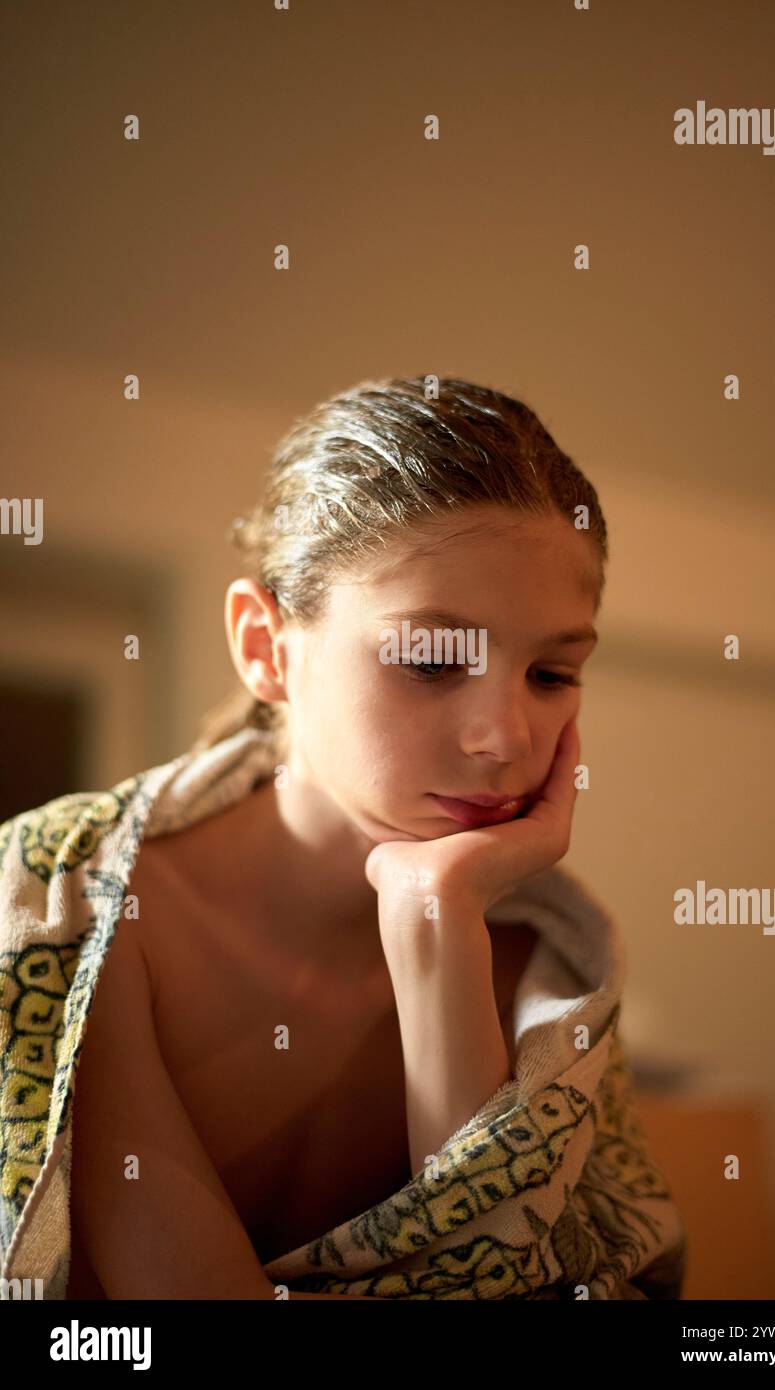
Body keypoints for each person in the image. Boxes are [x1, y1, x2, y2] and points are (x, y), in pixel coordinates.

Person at [1, 376, 686, 1301]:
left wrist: (435, 920)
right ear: (265, 644)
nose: (508, 738)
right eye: (431, 660)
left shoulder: (544, 976)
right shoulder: (75, 901)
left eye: (552, 672)